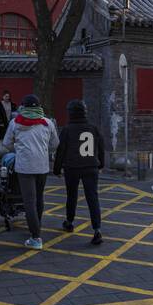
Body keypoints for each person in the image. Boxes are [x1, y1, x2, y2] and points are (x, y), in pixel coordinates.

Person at [0, 94, 59, 249]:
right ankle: (36, 228)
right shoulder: (47, 123)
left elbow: (6, 144)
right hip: (42, 166)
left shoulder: (15, 123)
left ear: (23, 107)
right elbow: (55, 144)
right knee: (39, 199)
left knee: (29, 202)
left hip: (24, 167)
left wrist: (19, 148)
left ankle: (36, 237)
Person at [53, 98, 105, 245]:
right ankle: (97, 230)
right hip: (91, 167)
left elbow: (60, 151)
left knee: (72, 195)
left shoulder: (67, 130)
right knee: (92, 198)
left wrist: (56, 169)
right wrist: (101, 165)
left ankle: (69, 222)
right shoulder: (93, 128)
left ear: (70, 113)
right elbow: (101, 148)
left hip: (72, 167)